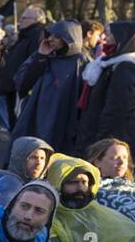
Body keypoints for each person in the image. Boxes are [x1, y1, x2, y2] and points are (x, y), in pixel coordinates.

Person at [11, 19, 89, 154]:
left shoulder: (80, 61)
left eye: (57, 36)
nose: (51, 39)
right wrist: (41, 56)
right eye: (50, 35)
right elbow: (23, 83)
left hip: (65, 117)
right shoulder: (44, 56)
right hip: (36, 114)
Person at [76, 20, 135, 156]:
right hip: (99, 132)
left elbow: (118, 109)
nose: (105, 38)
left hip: (110, 138)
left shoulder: (127, 67)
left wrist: (102, 139)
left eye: (111, 35)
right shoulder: (109, 62)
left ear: (123, 39)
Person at [0, 6, 48, 128]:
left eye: (24, 18)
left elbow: (34, 62)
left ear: (36, 20)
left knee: (18, 125)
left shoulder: (37, 35)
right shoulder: (24, 36)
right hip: (12, 87)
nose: (20, 20)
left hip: (20, 90)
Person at [87, 137, 135, 227]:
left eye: (125, 158)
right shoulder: (91, 189)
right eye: (115, 158)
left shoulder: (134, 185)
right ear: (97, 162)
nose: (122, 162)